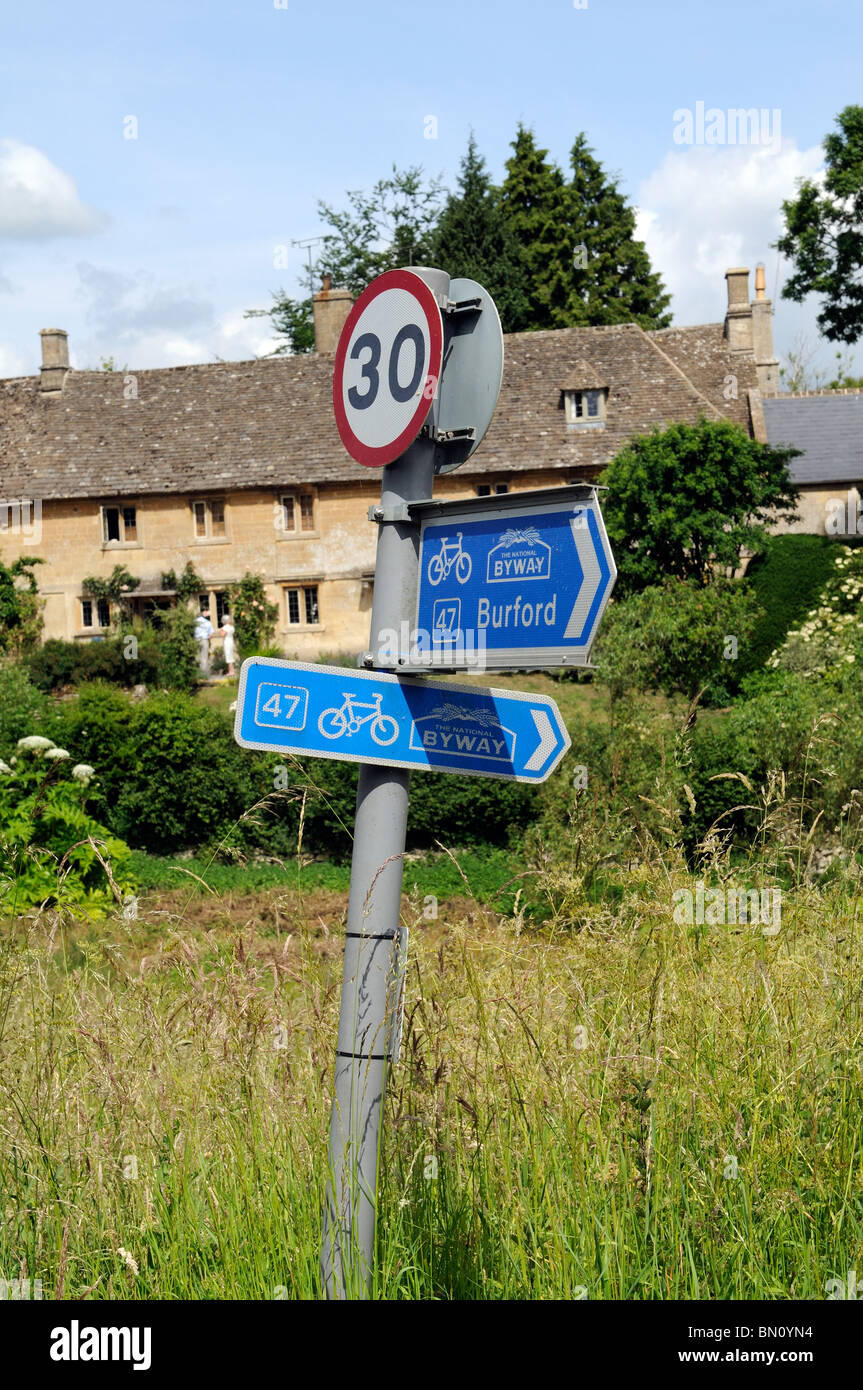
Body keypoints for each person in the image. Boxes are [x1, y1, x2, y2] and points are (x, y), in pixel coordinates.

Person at [194, 608, 214, 675]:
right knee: (204, 656)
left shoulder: (194, 622)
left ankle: (196, 672)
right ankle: (203, 673)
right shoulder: (208, 622)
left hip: (196, 640)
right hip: (204, 640)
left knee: (196, 656)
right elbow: (211, 635)